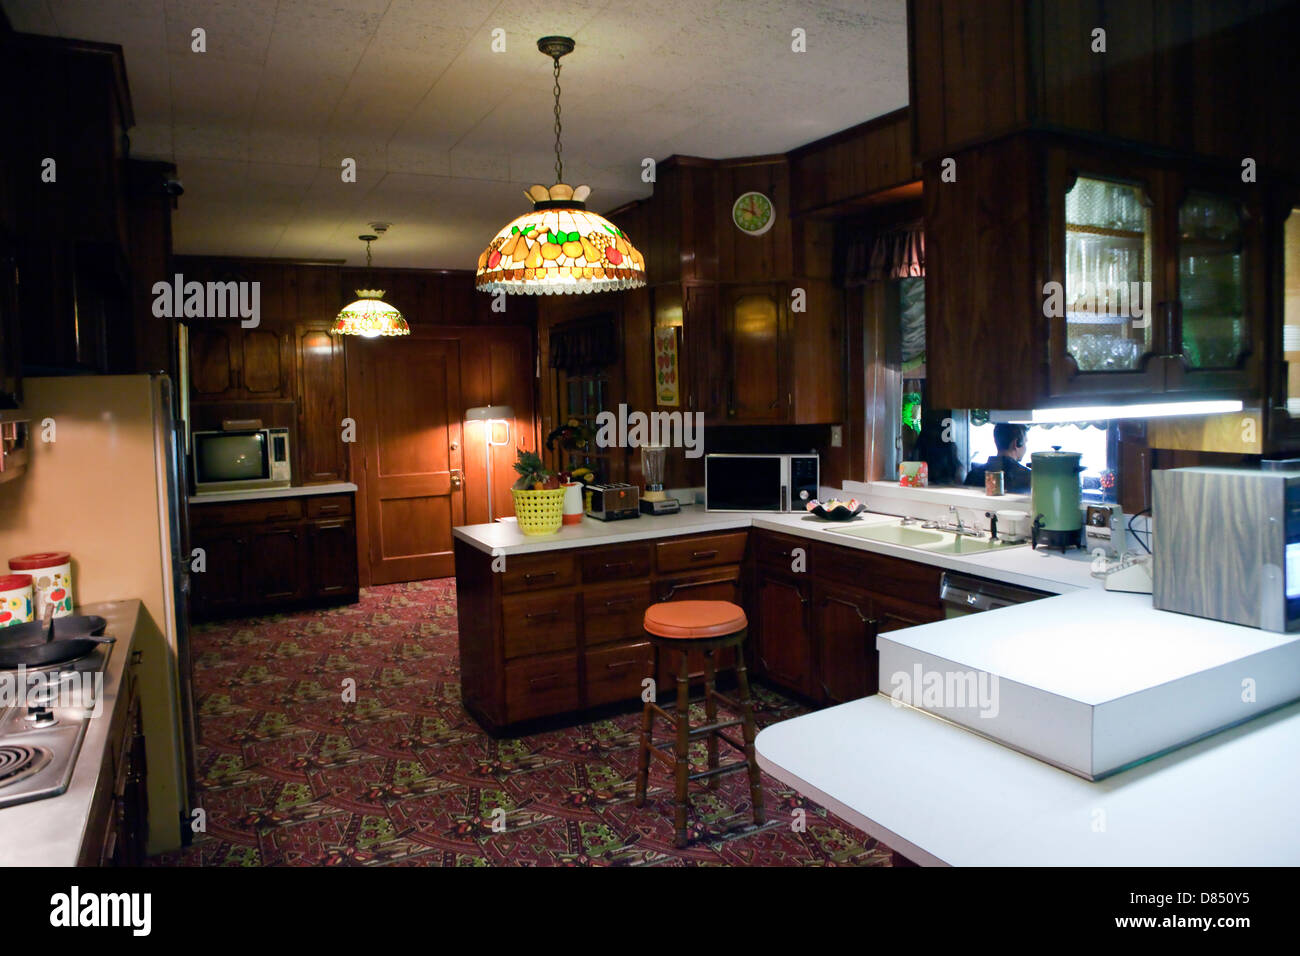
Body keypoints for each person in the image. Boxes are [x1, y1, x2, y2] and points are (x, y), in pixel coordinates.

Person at [964, 423, 1033, 493]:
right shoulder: (1028, 477)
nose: (1025, 447)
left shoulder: (973, 474)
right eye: (1025, 442)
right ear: (1016, 443)